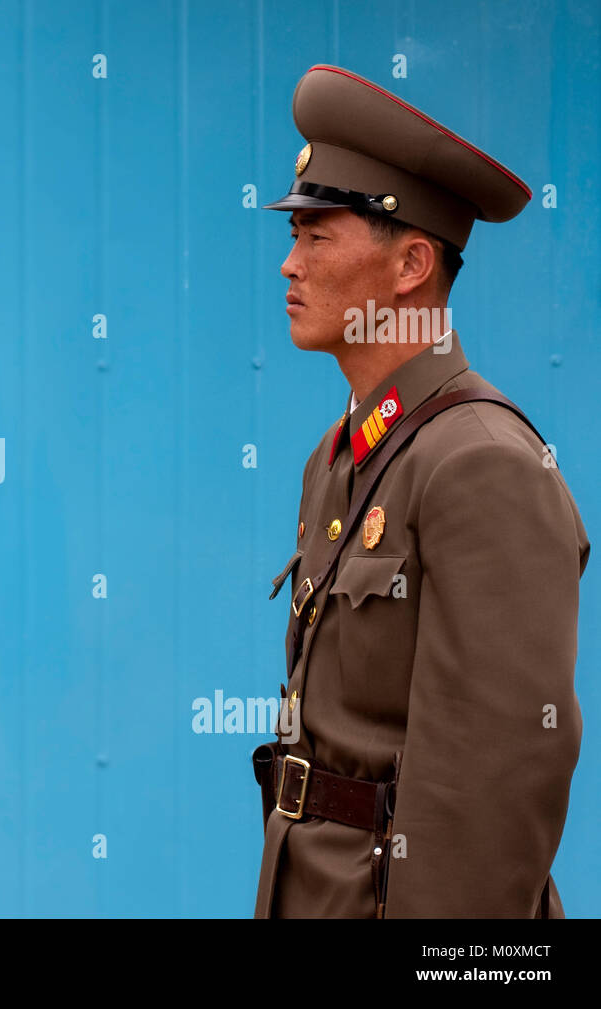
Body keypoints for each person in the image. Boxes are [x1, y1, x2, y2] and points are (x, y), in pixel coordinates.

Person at [252, 64, 589, 918]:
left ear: (410, 263)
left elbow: (494, 792)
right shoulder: (342, 456)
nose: (288, 265)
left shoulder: (482, 464)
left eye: (316, 237)